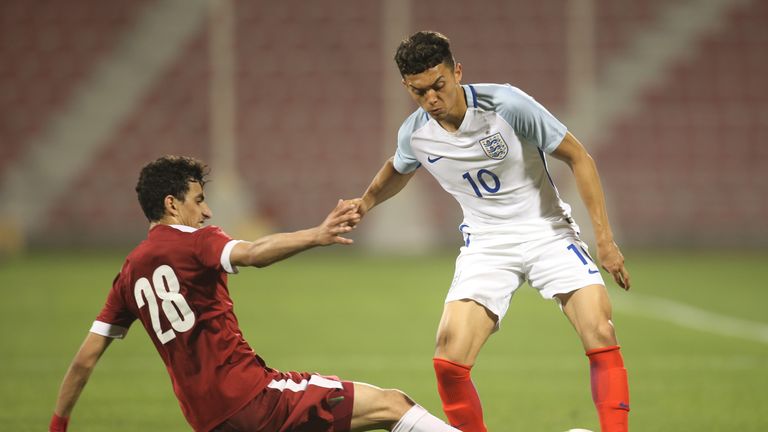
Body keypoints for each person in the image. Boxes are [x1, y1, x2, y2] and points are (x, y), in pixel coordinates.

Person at [346, 31, 632, 432]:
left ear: (457, 72)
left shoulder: (508, 105)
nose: (431, 99)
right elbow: (398, 167)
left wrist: (605, 240)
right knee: (449, 358)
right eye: (419, 91)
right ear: (407, 87)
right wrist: (365, 202)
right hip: (486, 244)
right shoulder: (415, 133)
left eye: (438, 85)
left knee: (599, 329)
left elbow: (578, 157)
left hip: (546, 231)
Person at [49, 155, 461, 432]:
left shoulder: (128, 275)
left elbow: (84, 360)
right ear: (172, 204)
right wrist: (316, 235)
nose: (207, 211)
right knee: (393, 405)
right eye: (199, 200)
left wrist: (58, 425)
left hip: (207, 421)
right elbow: (253, 253)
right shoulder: (197, 242)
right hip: (253, 400)